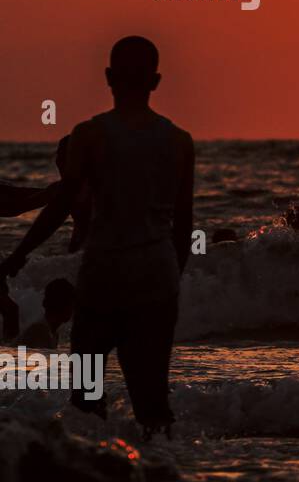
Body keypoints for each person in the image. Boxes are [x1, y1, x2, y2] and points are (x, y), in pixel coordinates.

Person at [1, 36, 195, 437]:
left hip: (104, 274)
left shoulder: (89, 135)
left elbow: (60, 205)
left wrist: (19, 254)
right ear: (156, 81)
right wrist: (171, 281)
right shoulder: (179, 141)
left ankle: (102, 474)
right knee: (151, 393)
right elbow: (183, 226)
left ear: (108, 76)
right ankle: (165, 478)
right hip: (156, 275)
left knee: (87, 390)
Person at [16, 278, 76, 349]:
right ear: (61, 305)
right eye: (71, 304)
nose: (73, 309)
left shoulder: (52, 333)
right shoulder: (40, 331)